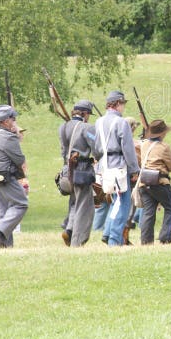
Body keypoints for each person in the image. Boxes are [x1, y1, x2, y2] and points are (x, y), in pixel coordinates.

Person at [93, 91, 140, 247]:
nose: (123, 107)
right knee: (123, 204)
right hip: (118, 166)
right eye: (122, 104)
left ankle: (108, 233)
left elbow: (96, 147)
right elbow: (128, 149)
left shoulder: (99, 122)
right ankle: (114, 239)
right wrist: (134, 169)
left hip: (103, 166)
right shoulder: (122, 123)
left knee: (115, 202)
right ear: (118, 103)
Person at [0, 105, 29, 248]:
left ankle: (4, 247)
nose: (15, 121)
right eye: (13, 118)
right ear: (5, 121)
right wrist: (17, 136)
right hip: (4, 177)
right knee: (21, 204)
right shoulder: (8, 137)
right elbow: (19, 159)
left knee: (2, 212)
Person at [59, 100, 97, 247]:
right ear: (85, 113)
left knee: (74, 202)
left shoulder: (63, 127)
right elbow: (97, 149)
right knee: (84, 206)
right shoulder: (87, 128)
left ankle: (69, 230)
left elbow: (63, 150)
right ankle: (78, 240)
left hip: (66, 170)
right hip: (82, 169)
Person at [137, 119, 171, 244]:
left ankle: (146, 240)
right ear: (162, 133)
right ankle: (165, 236)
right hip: (159, 182)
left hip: (144, 182)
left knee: (148, 212)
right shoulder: (164, 147)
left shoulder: (144, 145)